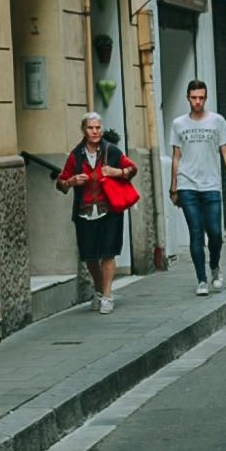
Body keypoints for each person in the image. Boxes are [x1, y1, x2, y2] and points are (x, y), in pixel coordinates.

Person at [56, 107, 133, 312]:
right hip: (84, 211)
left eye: (98, 127)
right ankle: (99, 288)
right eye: (91, 128)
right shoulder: (76, 155)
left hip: (110, 209)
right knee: (90, 255)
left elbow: (131, 169)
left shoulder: (111, 151)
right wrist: (71, 181)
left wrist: (117, 171)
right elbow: (61, 182)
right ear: (84, 130)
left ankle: (107, 295)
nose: (95, 131)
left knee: (108, 253)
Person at [167, 75, 226, 289]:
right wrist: (174, 186)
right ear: (187, 98)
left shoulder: (217, 120)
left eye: (201, 98)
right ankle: (201, 280)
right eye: (193, 98)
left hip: (211, 185)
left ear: (206, 98)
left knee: (215, 233)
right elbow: (176, 156)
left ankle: (214, 265)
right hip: (187, 185)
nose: (197, 101)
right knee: (196, 232)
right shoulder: (179, 123)